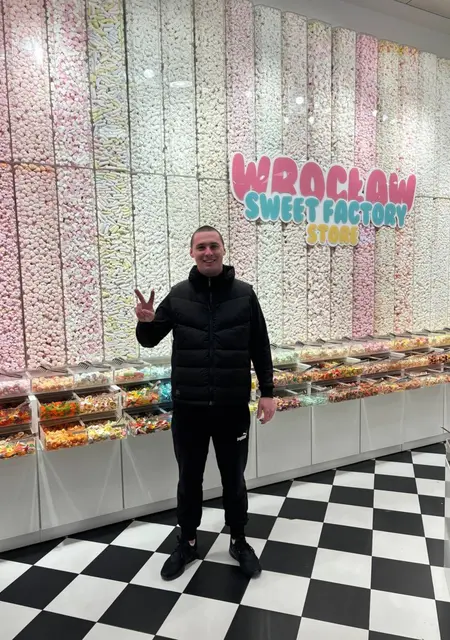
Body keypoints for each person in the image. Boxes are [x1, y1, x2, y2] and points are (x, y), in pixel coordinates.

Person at [135, 225, 275, 581]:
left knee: (234, 478)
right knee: (188, 479)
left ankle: (239, 540)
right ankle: (187, 542)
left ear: (223, 249)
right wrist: (145, 323)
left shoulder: (245, 294)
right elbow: (150, 340)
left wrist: (268, 391)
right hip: (190, 409)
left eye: (213, 246)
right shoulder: (178, 295)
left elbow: (260, 345)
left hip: (232, 407)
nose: (208, 252)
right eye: (201, 247)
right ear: (192, 253)